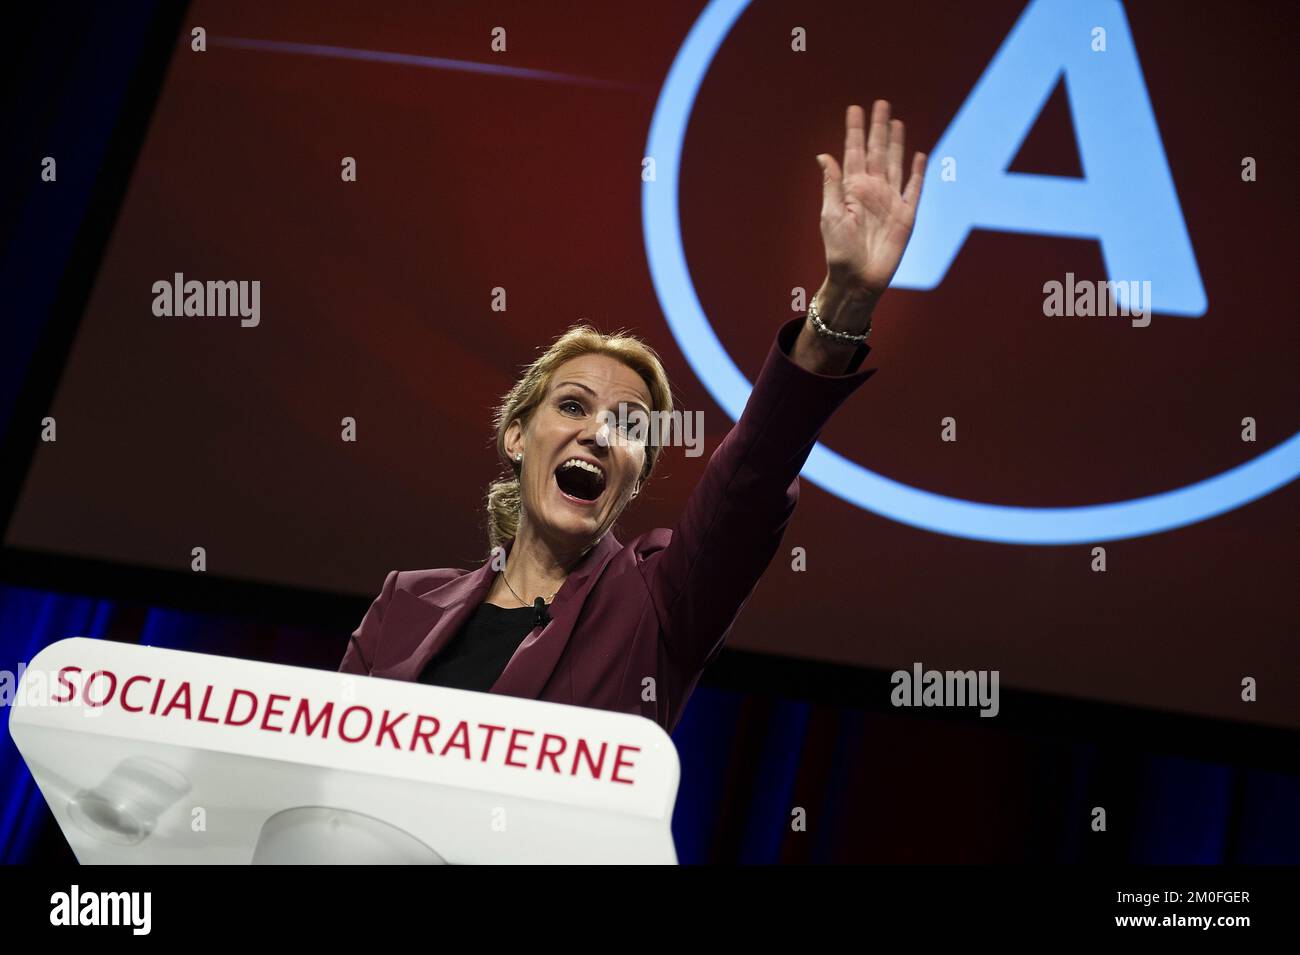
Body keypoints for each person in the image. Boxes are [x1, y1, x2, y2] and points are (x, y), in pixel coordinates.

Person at [339, 101, 926, 733]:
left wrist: (845, 301)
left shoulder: (658, 605)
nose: (598, 433)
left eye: (630, 427)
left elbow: (754, 475)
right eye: (571, 406)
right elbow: (321, 773)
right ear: (516, 436)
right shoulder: (405, 602)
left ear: (637, 473)